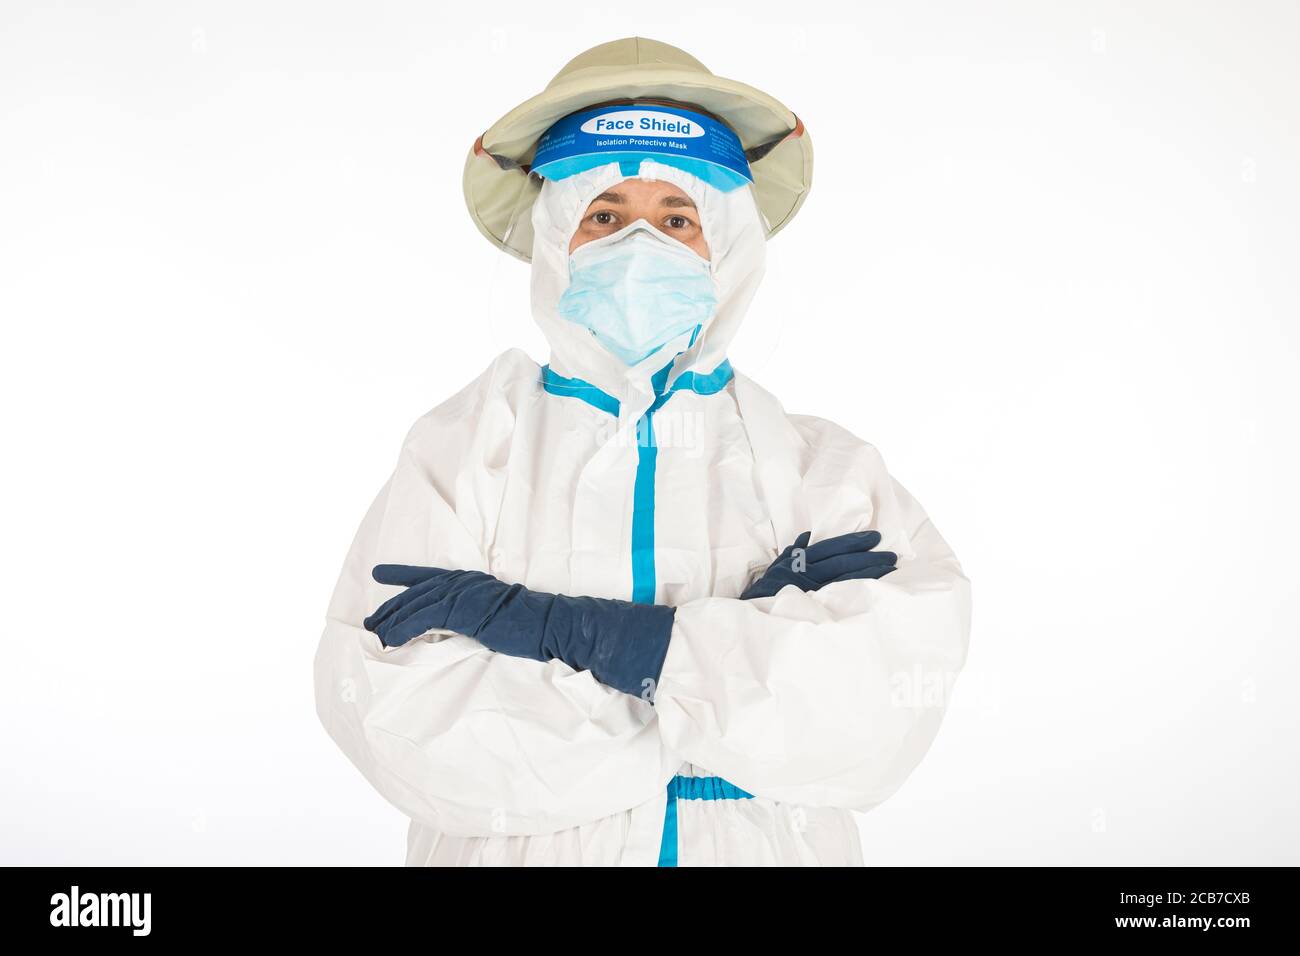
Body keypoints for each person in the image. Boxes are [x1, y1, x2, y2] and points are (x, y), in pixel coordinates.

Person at [313, 36, 972, 866]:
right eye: (604, 215)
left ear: (726, 246)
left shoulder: (824, 472)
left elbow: (875, 719)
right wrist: (725, 669)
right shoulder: (465, 450)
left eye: (676, 219)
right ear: (558, 236)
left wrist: (564, 633)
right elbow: (394, 719)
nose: (638, 244)